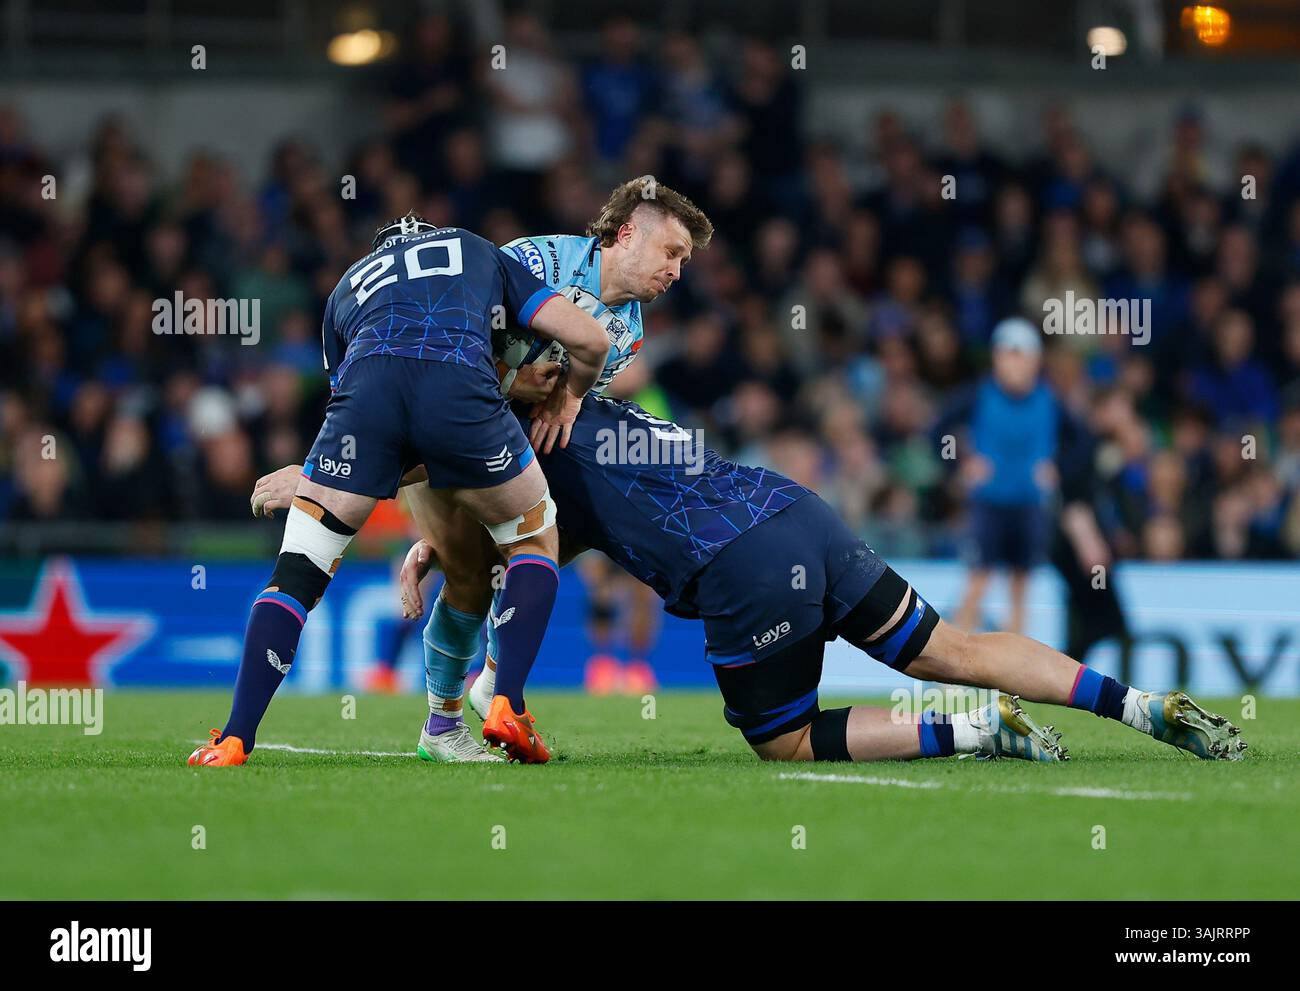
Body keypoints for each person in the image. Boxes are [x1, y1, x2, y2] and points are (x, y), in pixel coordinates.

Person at [393, 391, 1246, 765]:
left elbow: (506, 511)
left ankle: (975, 731)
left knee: (785, 741)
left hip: (744, 565)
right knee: (953, 644)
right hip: (800, 511)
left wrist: (414, 524)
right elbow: (546, 536)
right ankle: (1137, 704)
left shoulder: (514, 439)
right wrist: (456, 545)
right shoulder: (594, 406)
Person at [187, 213, 611, 767]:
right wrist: (569, 396)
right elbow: (590, 338)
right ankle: (506, 702)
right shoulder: (477, 249)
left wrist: (320, 475)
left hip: (366, 404)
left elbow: (374, 404)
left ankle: (234, 739)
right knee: (532, 539)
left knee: (297, 571)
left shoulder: (344, 288)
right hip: (462, 391)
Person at [955, 317, 1058, 635]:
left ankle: (1015, 673)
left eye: (1021, 356)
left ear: (1035, 361)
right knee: (978, 580)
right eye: (1007, 355)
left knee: (1020, 585)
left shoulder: (1049, 400)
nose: (1014, 364)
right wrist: (961, 462)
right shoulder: (977, 395)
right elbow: (937, 430)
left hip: (1028, 504)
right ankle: (951, 671)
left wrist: (1057, 467)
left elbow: (1080, 443)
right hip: (990, 503)